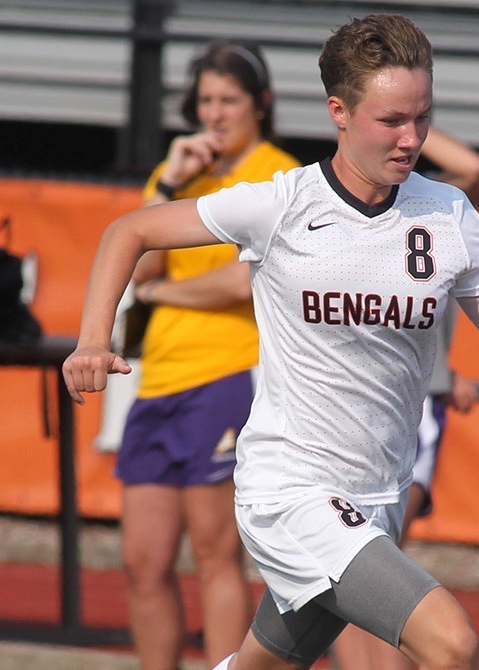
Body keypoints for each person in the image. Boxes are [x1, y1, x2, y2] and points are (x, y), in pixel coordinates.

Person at [63, 14, 479, 670]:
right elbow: (128, 232)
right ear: (339, 112)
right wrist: (91, 340)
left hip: (376, 498)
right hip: (290, 493)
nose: (412, 138)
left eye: (422, 118)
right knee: (451, 644)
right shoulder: (282, 204)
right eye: (391, 120)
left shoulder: (447, 215)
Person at [116, 40, 300, 670]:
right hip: (159, 382)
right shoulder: (179, 173)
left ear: (262, 105)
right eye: (204, 102)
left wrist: (165, 290)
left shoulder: (281, 176)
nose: (215, 114)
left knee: (216, 553)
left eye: (229, 100)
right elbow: (138, 267)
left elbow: (244, 282)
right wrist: (167, 183)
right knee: (143, 559)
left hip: (227, 378)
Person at [329, 126, 479, 670]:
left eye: (416, 120)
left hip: (409, 415)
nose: (407, 137)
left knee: (373, 564)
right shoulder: (316, 204)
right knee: (342, 577)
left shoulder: (434, 207)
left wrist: (390, 120)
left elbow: (470, 168)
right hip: (334, 419)